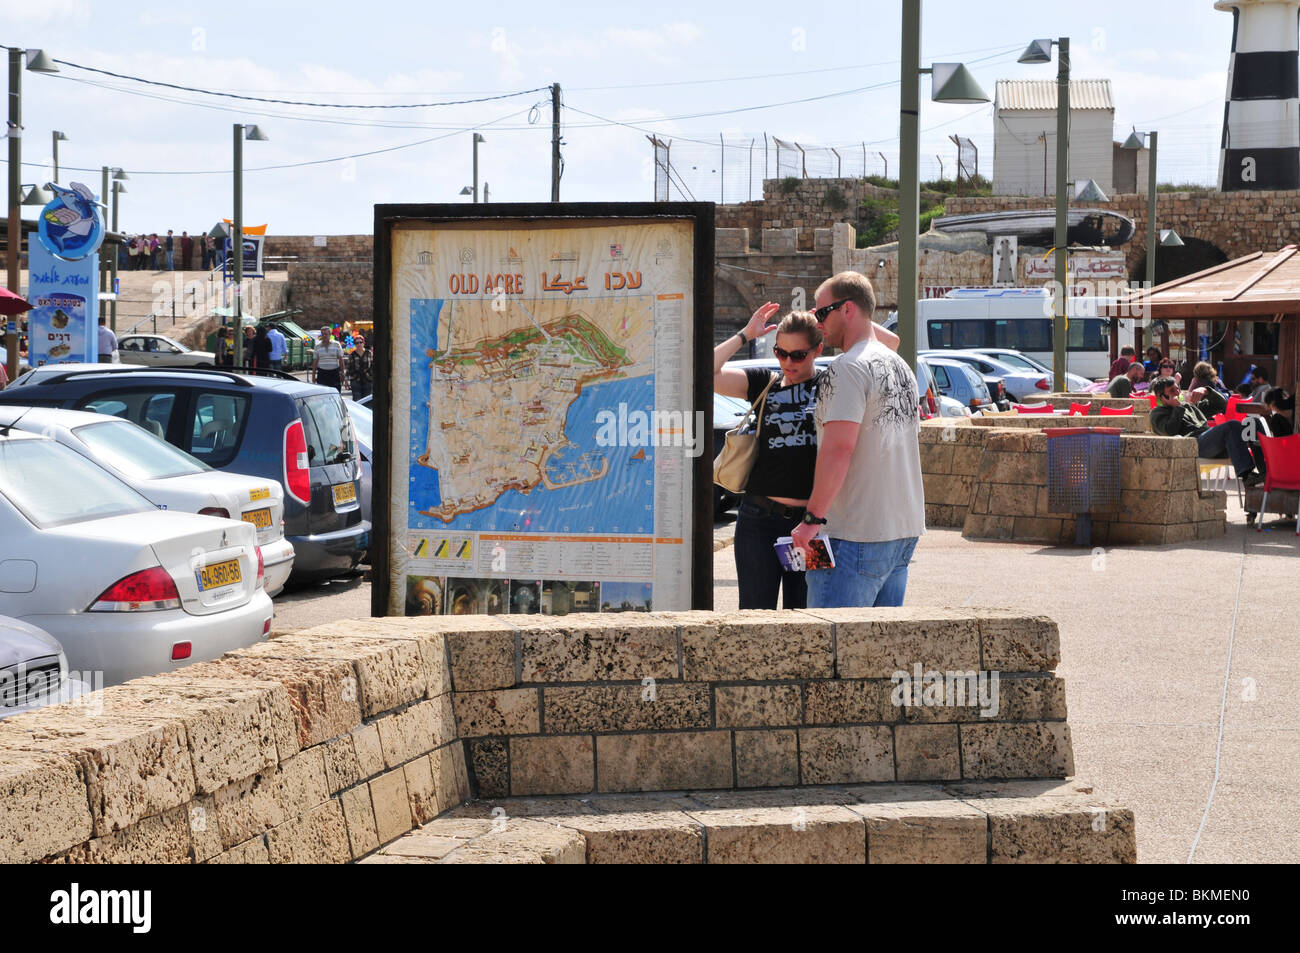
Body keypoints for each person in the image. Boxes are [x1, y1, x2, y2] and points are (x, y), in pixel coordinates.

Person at [792, 271, 925, 608]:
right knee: (878, 653)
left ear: (847, 309)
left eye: (822, 313)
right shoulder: (900, 366)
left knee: (829, 649)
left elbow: (839, 449)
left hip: (851, 534)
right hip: (901, 531)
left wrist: (810, 522)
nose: (817, 323)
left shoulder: (847, 368)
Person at [714, 302, 823, 609]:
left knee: (804, 618)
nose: (788, 361)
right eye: (781, 352)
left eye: (798, 354)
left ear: (817, 349)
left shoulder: (830, 383)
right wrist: (745, 335)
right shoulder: (766, 382)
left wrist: (827, 318)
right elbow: (703, 371)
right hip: (758, 520)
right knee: (753, 616)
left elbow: (891, 344)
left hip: (808, 526)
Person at [1149, 376, 1262, 486]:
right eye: (1172, 391)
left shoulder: (1190, 406)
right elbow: (1169, 431)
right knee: (1231, 426)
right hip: (1193, 445)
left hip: (1212, 444)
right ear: (1161, 396)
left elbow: (1222, 405)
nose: (1177, 393)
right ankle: (1247, 475)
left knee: (1253, 423)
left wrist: (1207, 391)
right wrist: (1177, 408)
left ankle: (1264, 471)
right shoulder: (1157, 413)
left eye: (1177, 388)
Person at [313, 327, 346, 392]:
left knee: (336, 393)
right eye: (322, 334)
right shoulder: (317, 346)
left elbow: (341, 360)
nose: (324, 336)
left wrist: (342, 374)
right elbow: (315, 361)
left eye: (326, 334)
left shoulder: (337, 344)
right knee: (323, 394)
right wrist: (313, 376)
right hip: (322, 374)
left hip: (334, 373)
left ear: (330, 334)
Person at [347, 333, 373, 401]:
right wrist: (346, 380)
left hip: (367, 379)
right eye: (356, 343)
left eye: (360, 342)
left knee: (367, 401)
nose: (359, 344)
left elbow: (373, 366)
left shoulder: (369, 353)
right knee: (357, 400)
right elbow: (348, 368)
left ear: (363, 343)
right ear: (354, 344)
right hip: (355, 380)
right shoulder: (352, 354)